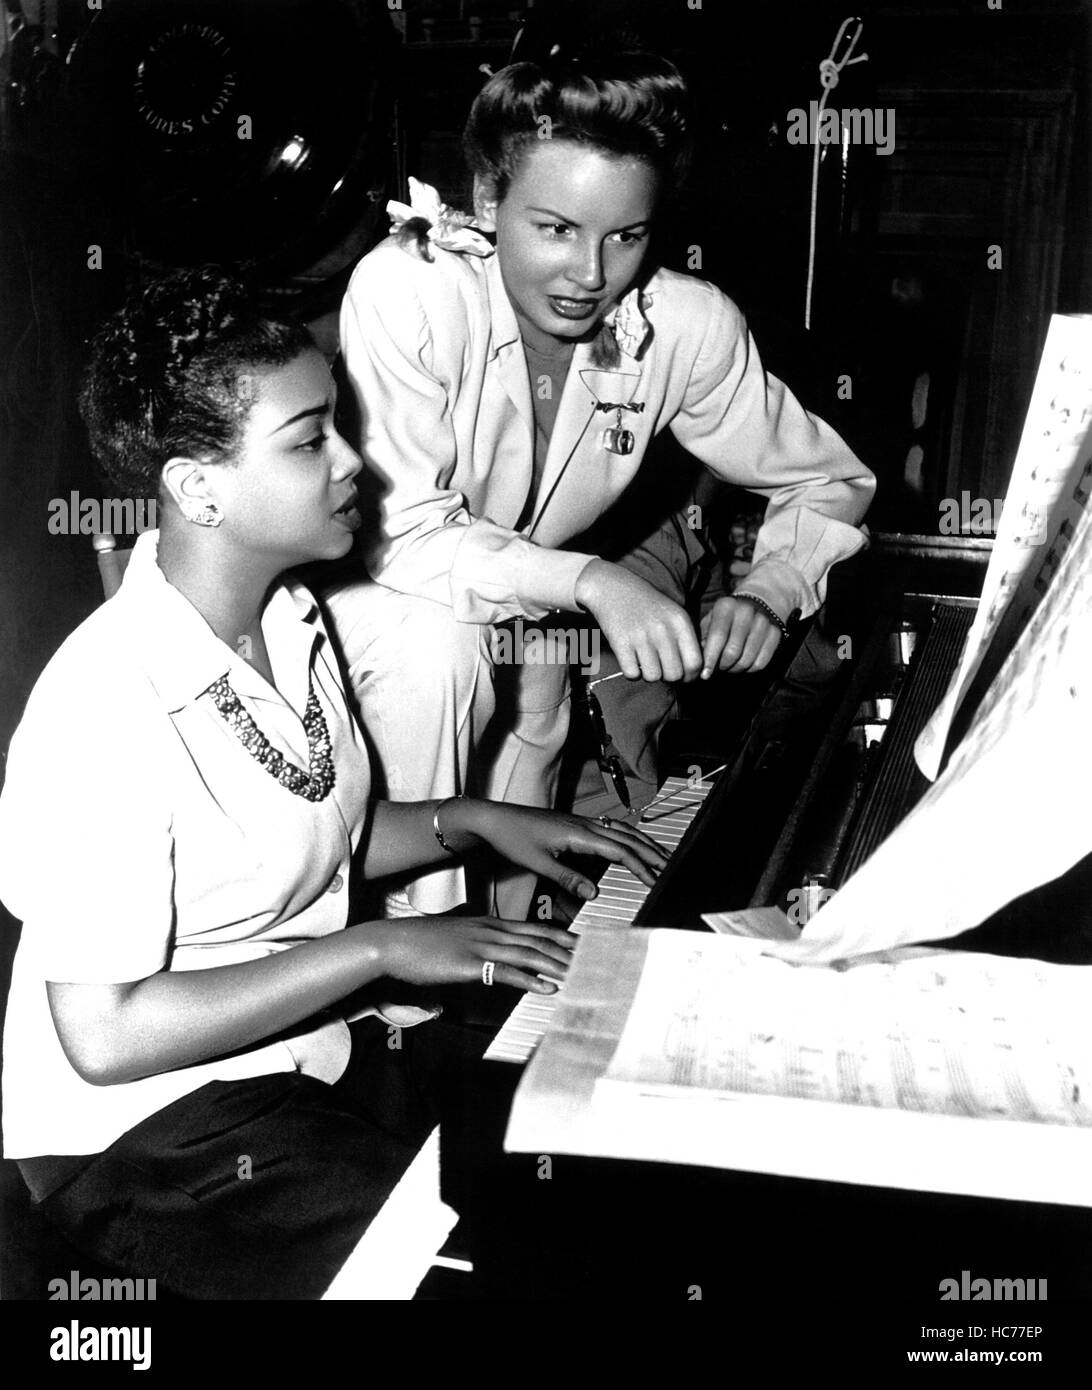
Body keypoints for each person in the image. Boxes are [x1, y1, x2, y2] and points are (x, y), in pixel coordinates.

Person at [0, 266, 665, 1300]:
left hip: (290, 1063)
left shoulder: (286, 619)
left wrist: (478, 821)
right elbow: (106, 1034)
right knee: (487, 1266)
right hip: (140, 1134)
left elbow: (319, 841)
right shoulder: (105, 704)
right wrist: (384, 945)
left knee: (580, 1160)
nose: (357, 461)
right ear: (197, 486)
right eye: (311, 440)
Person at [319, 48, 876, 919]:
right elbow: (403, 537)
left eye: (627, 236)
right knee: (446, 648)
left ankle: (495, 980)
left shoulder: (685, 325)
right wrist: (592, 582)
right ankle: (400, 983)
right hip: (368, 615)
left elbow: (830, 479)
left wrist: (769, 590)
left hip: (524, 625)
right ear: (490, 199)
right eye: (556, 229)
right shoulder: (410, 289)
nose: (591, 275)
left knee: (531, 712)